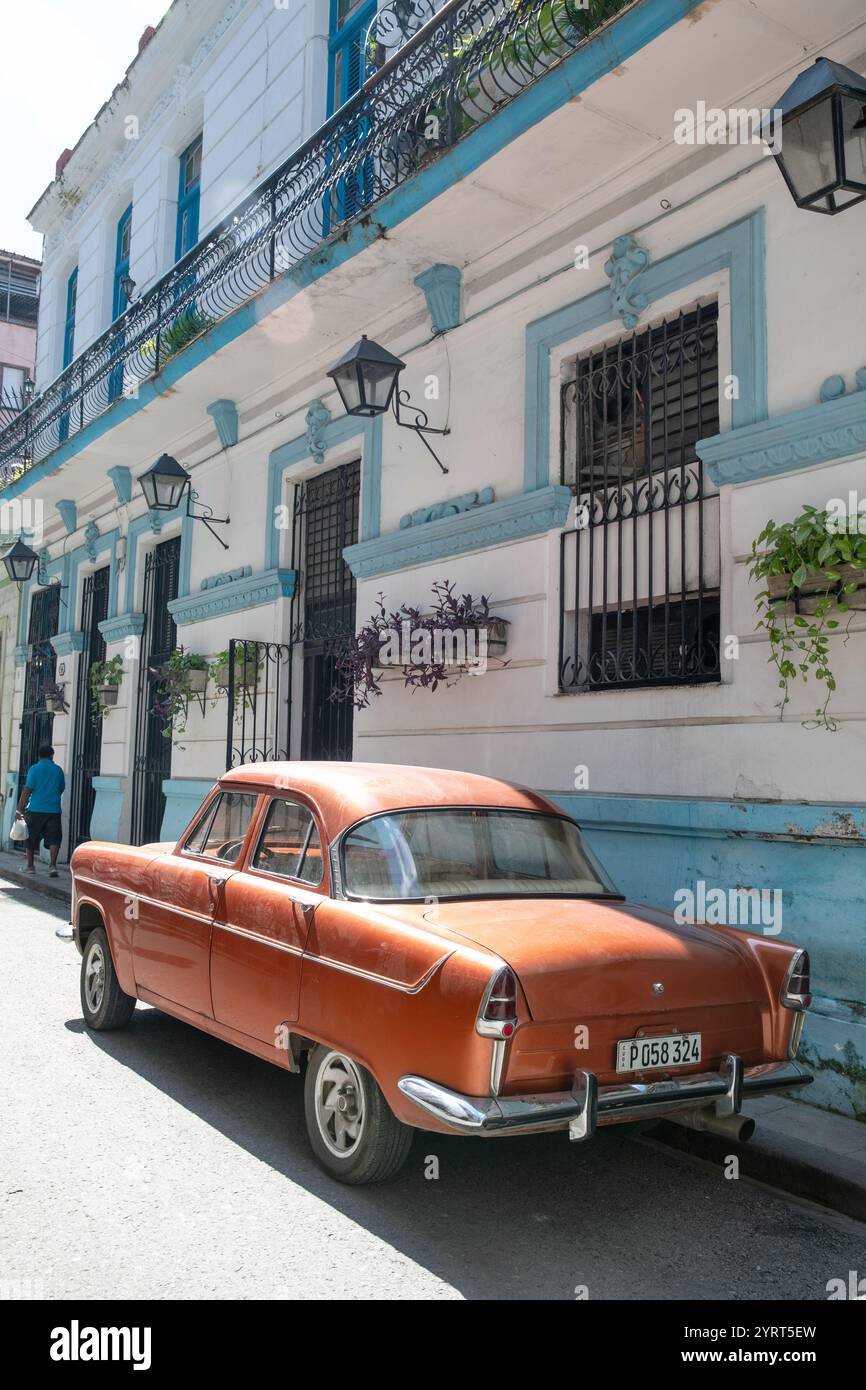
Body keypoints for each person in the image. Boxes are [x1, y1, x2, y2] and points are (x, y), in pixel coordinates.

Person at [16, 743, 65, 877]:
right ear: (51, 756)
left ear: (39, 756)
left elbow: (27, 790)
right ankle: (53, 866)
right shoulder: (58, 770)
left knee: (30, 837)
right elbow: (61, 788)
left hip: (35, 809)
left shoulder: (34, 769)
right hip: (53, 809)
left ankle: (30, 866)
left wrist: (19, 810)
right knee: (54, 838)